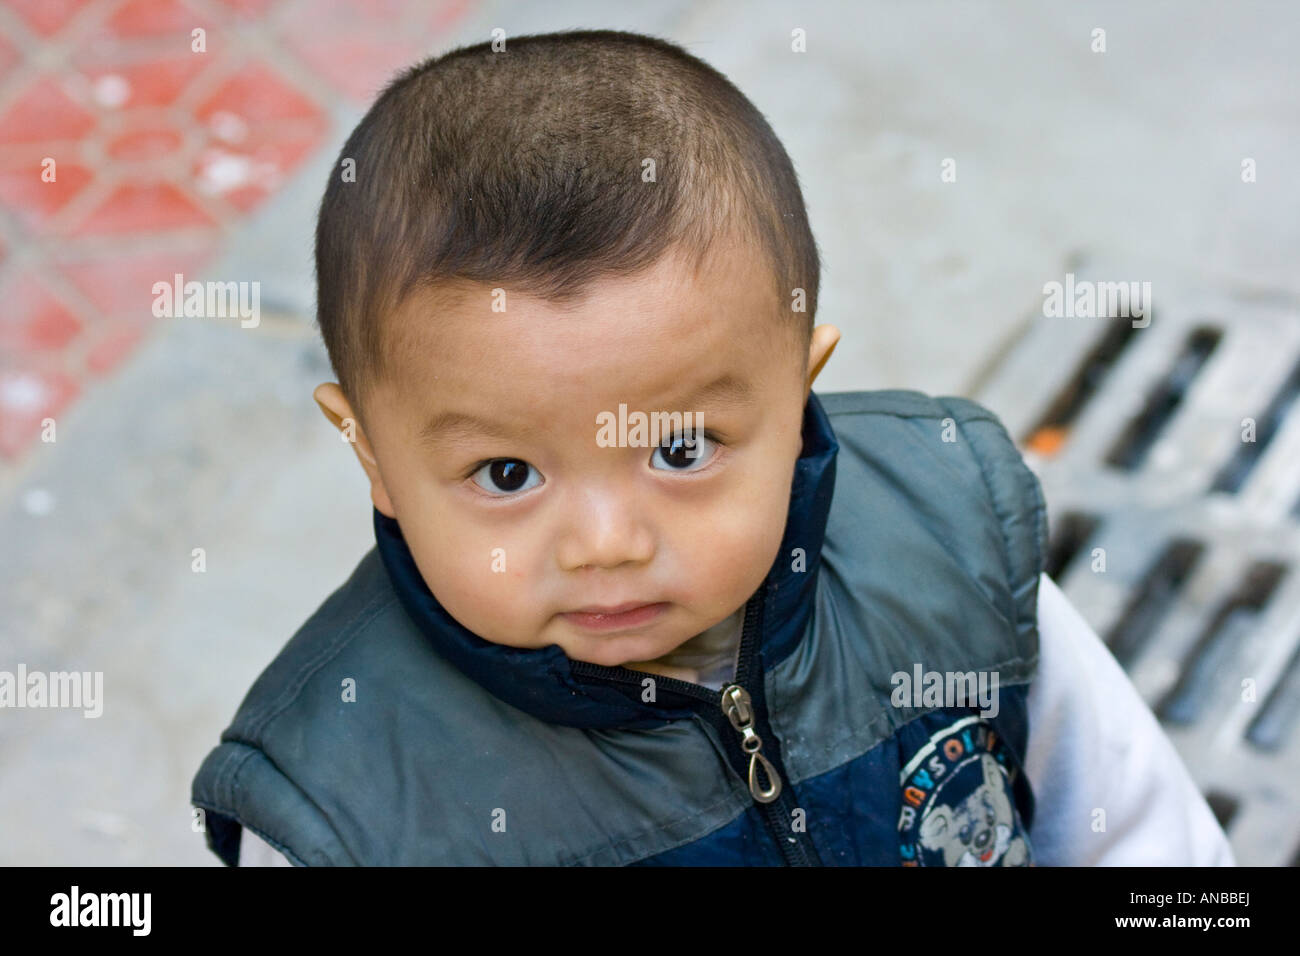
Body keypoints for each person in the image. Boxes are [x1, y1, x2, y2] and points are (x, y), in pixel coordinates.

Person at [192, 29, 1233, 866]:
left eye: (680, 449)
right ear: (369, 451)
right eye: (507, 473)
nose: (606, 542)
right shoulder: (348, 801)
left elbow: (1130, 821)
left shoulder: (949, 539)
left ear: (797, 390)